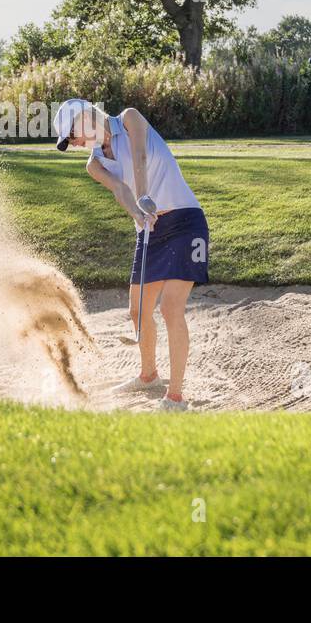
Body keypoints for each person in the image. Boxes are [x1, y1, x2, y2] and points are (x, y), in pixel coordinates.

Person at [53, 99, 210, 412]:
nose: (76, 143)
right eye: (70, 142)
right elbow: (119, 191)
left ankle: (175, 398)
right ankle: (149, 375)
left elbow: (139, 156)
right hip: (150, 229)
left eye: (73, 135)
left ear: (86, 116)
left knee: (170, 307)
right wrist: (138, 214)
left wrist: (144, 197)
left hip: (185, 222)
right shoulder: (94, 164)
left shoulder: (129, 119)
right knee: (137, 310)